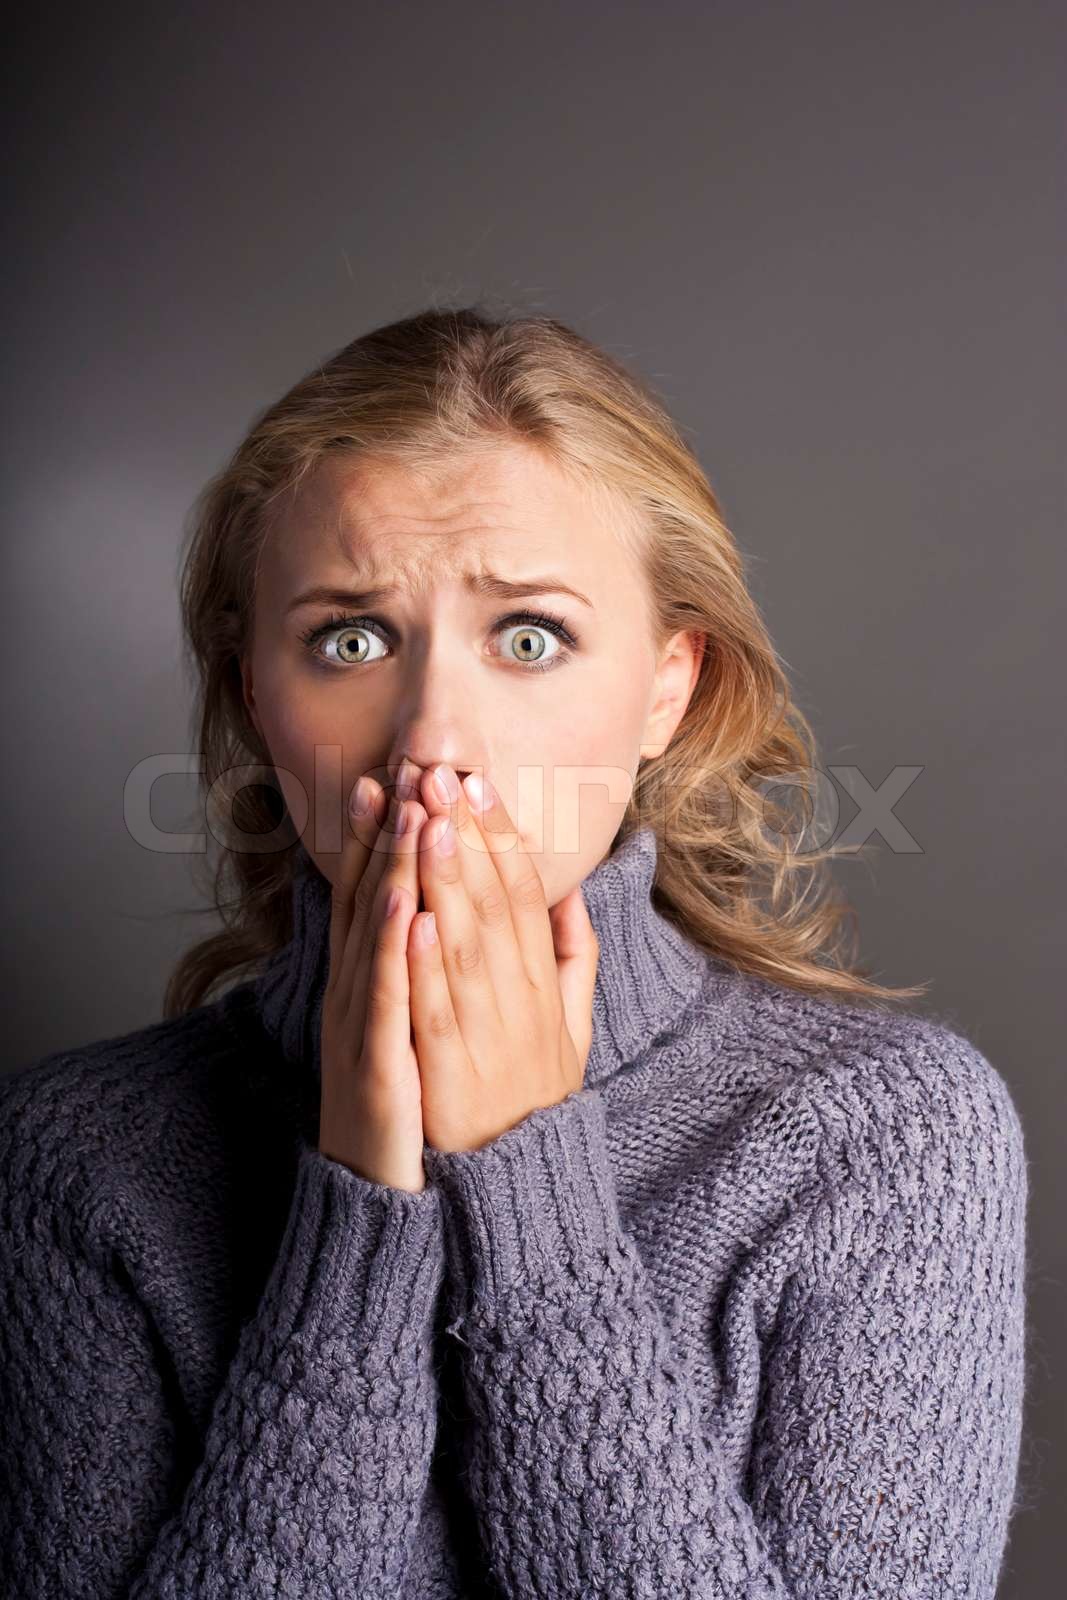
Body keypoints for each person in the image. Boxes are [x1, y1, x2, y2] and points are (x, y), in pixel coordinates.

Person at [0, 307, 1028, 1598]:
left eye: (530, 637)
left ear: (667, 688)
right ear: (257, 694)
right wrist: (356, 1221)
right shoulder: (72, 1162)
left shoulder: (882, 1137)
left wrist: (527, 1187)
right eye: (350, 640)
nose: (433, 741)